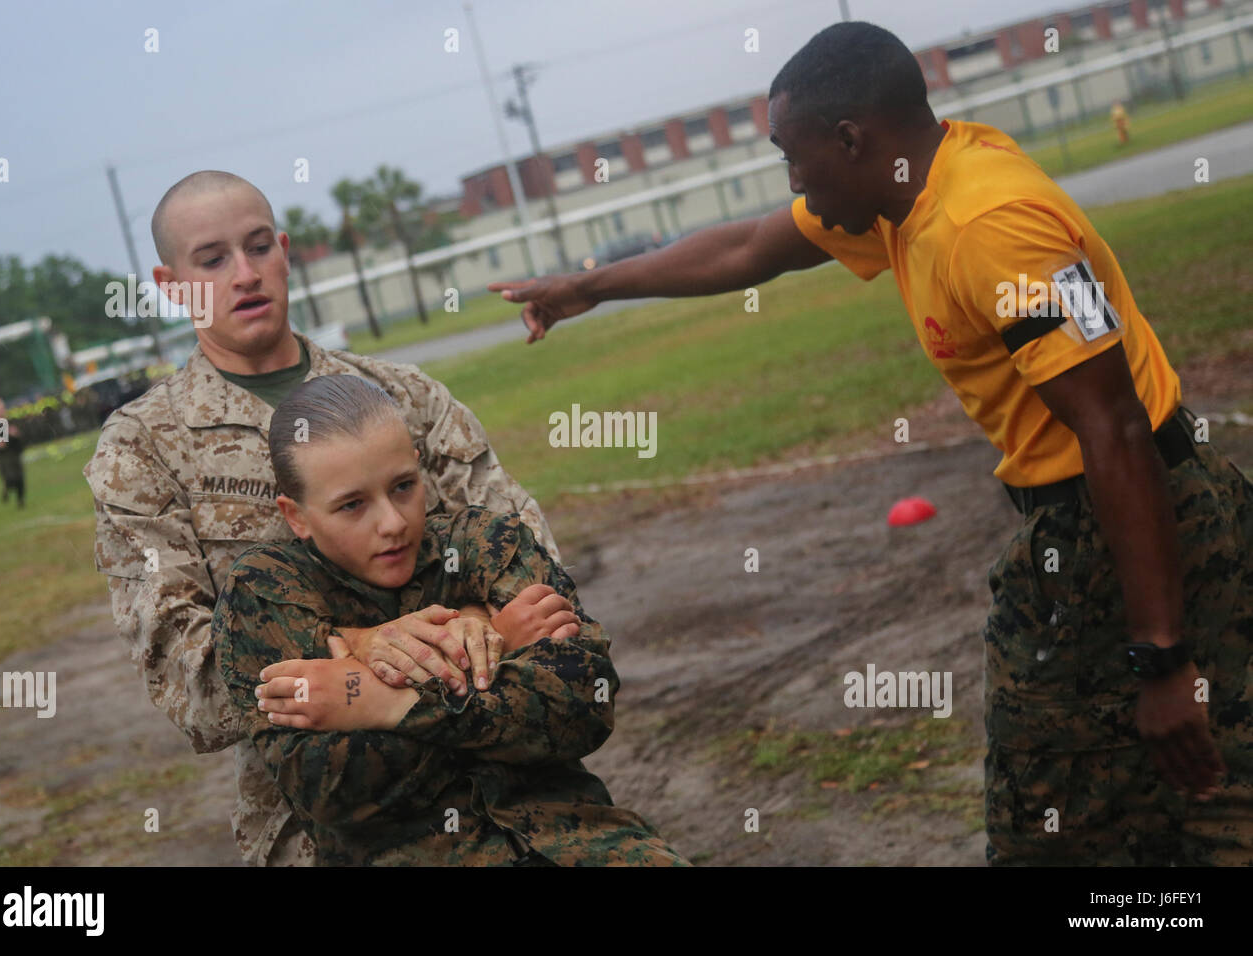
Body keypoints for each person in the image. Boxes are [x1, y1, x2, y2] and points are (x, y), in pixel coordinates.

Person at [488, 21, 1253, 866]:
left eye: (794, 158)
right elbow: (748, 246)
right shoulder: (907, 192)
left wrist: (1160, 656)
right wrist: (588, 287)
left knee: (1057, 822)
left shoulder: (988, 223)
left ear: (851, 140)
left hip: (1123, 522)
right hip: (1129, 507)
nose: (792, 181)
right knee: (1199, 788)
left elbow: (1115, 426)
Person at [84, 170, 560, 866]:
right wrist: (363, 646)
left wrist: (471, 626)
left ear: (284, 252)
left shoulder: (403, 397)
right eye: (212, 259)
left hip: (512, 783)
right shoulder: (145, 449)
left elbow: (536, 572)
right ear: (171, 284)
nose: (245, 274)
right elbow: (189, 679)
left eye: (258, 247)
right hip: (329, 823)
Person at [214, 375, 686, 865]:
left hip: (586, 844)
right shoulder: (266, 593)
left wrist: (384, 702)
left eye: (403, 486)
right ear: (296, 516)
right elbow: (333, 787)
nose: (393, 522)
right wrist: (494, 650)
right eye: (352, 505)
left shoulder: (486, 543)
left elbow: (584, 705)